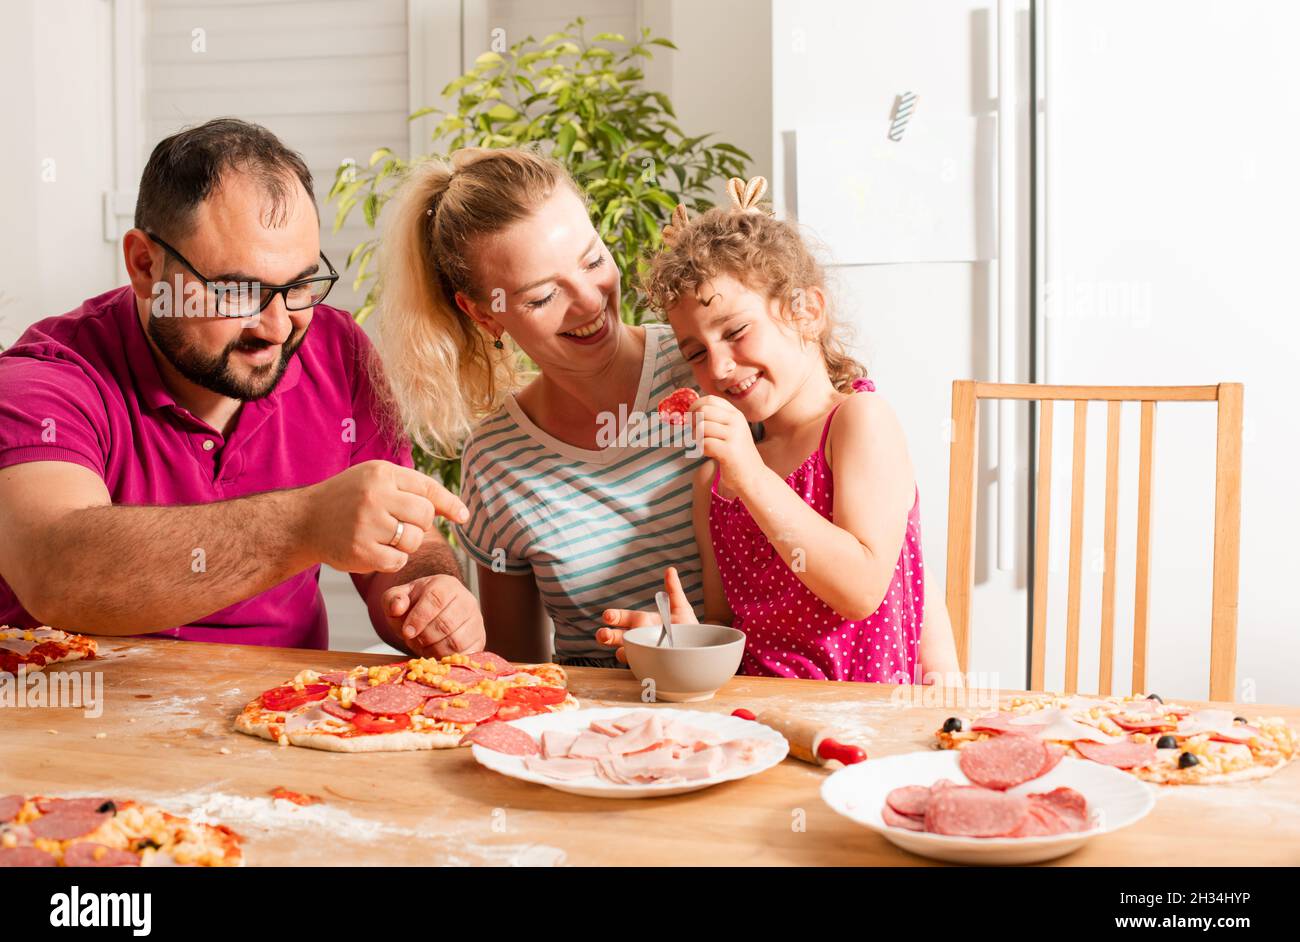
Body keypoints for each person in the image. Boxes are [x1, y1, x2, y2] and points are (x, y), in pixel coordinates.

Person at [0, 118, 484, 657]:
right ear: (144, 264)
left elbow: (398, 535)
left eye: (300, 285)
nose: (276, 328)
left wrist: (427, 592)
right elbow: (57, 571)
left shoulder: (336, 348)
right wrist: (306, 523)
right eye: (236, 291)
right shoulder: (43, 380)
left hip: (284, 718)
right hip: (79, 725)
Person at [599, 177, 960, 683]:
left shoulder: (858, 422)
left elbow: (860, 590)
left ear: (806, 311)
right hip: (756, 718)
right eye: (697, 353)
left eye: (736, 331)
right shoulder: (713, 485)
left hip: (858, 722)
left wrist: (752, 475)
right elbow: (729, 627)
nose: (720, 367)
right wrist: (686, 639)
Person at [375, 147, 703, 666]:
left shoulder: (709, 365)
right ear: (485, 316)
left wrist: (702, 646)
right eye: (543, 296)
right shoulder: (497, 461)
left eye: (593, 260)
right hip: (588, 733)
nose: (591, 302)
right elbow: (515, 669)